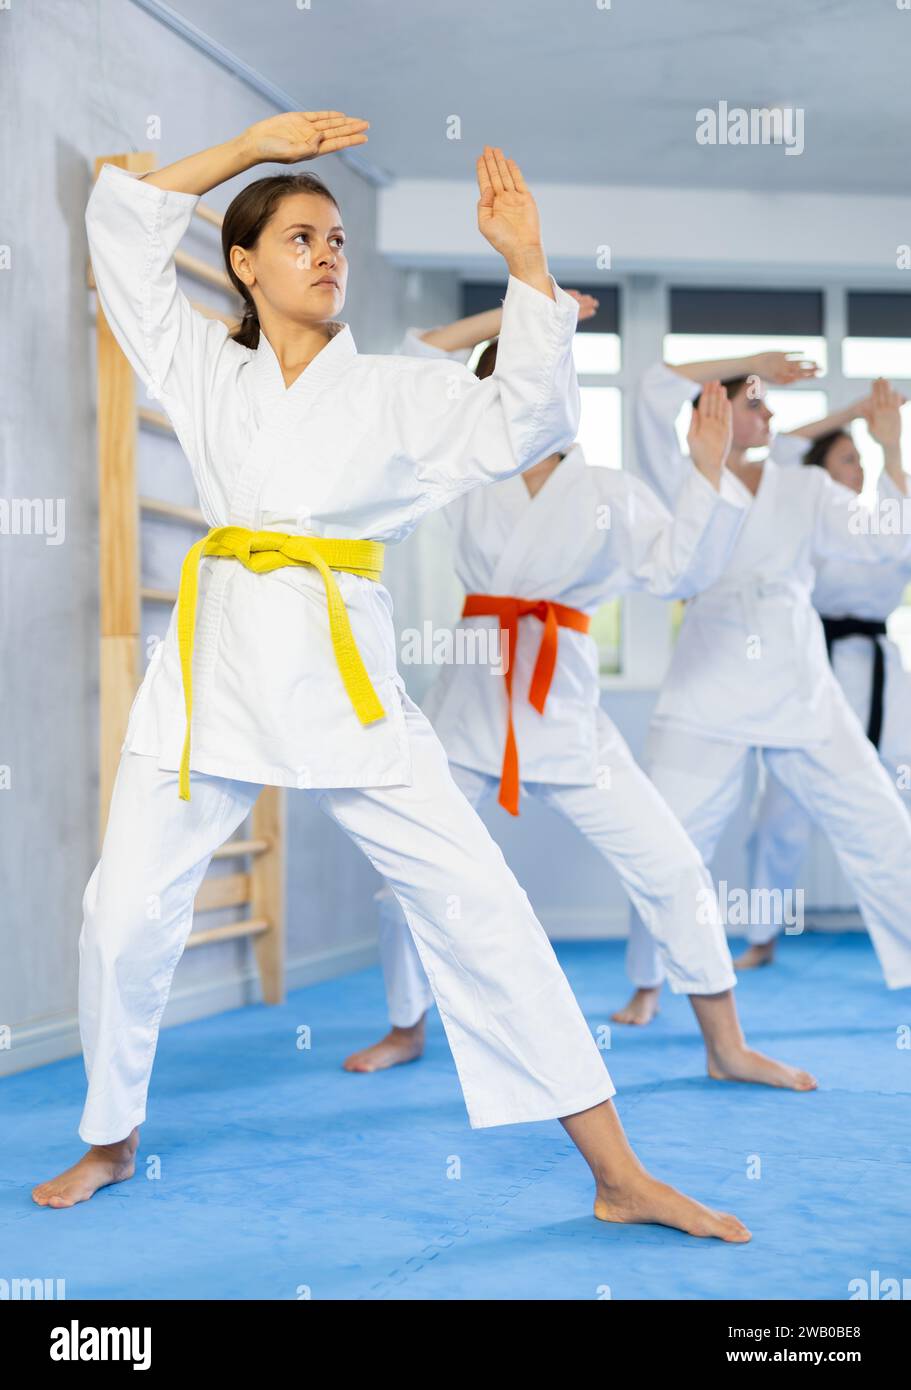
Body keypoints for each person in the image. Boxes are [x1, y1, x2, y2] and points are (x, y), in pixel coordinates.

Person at [32, 114, 749, 1243]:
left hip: (344, 680)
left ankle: (616, 1172)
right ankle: (111, 1135)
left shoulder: (392, 391)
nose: (327, 253)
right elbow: (118, 223)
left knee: (484, 910)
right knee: (121, 916)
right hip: (210, 682)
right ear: (243, 264)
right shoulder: (197, 363)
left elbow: (526, 414)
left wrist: (525, 266)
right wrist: (255, 145)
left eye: (336, 239)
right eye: (299, 236)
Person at [343, 314, 815, 1096]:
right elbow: (418, 357)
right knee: (404, 881)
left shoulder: (609, 493)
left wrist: (705, 469)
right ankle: (406, 1023)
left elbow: (678, 574)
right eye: (518, 380)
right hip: (469, 705)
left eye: (550, 378)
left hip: (563, 708)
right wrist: (521, 308)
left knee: (671, 866)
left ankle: (725, 1044)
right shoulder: (463, 467)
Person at [615, 357, 911, 1025]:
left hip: (796, 677)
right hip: (706, 680)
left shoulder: (801, 490)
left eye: (768, 405)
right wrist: (744, 366)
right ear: (711, 412)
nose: (769, 414)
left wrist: (891, 446)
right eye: (754, 403)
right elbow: (650, 388)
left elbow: (890, 539)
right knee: (667, 840)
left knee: (882, 824)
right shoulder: (680, 475)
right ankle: (647, 980)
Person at [738, 405, 911, 968]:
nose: (857, 470)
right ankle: (762, 935)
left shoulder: (884, 516)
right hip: (812, 668)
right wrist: (858, 412)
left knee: (893, 807)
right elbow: (784, 445)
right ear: (819, 469)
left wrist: (891, 447)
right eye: (846, 459)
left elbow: (898, 523)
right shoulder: (800, 506)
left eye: (861, 461)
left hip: (881, 673)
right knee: (782, 813)